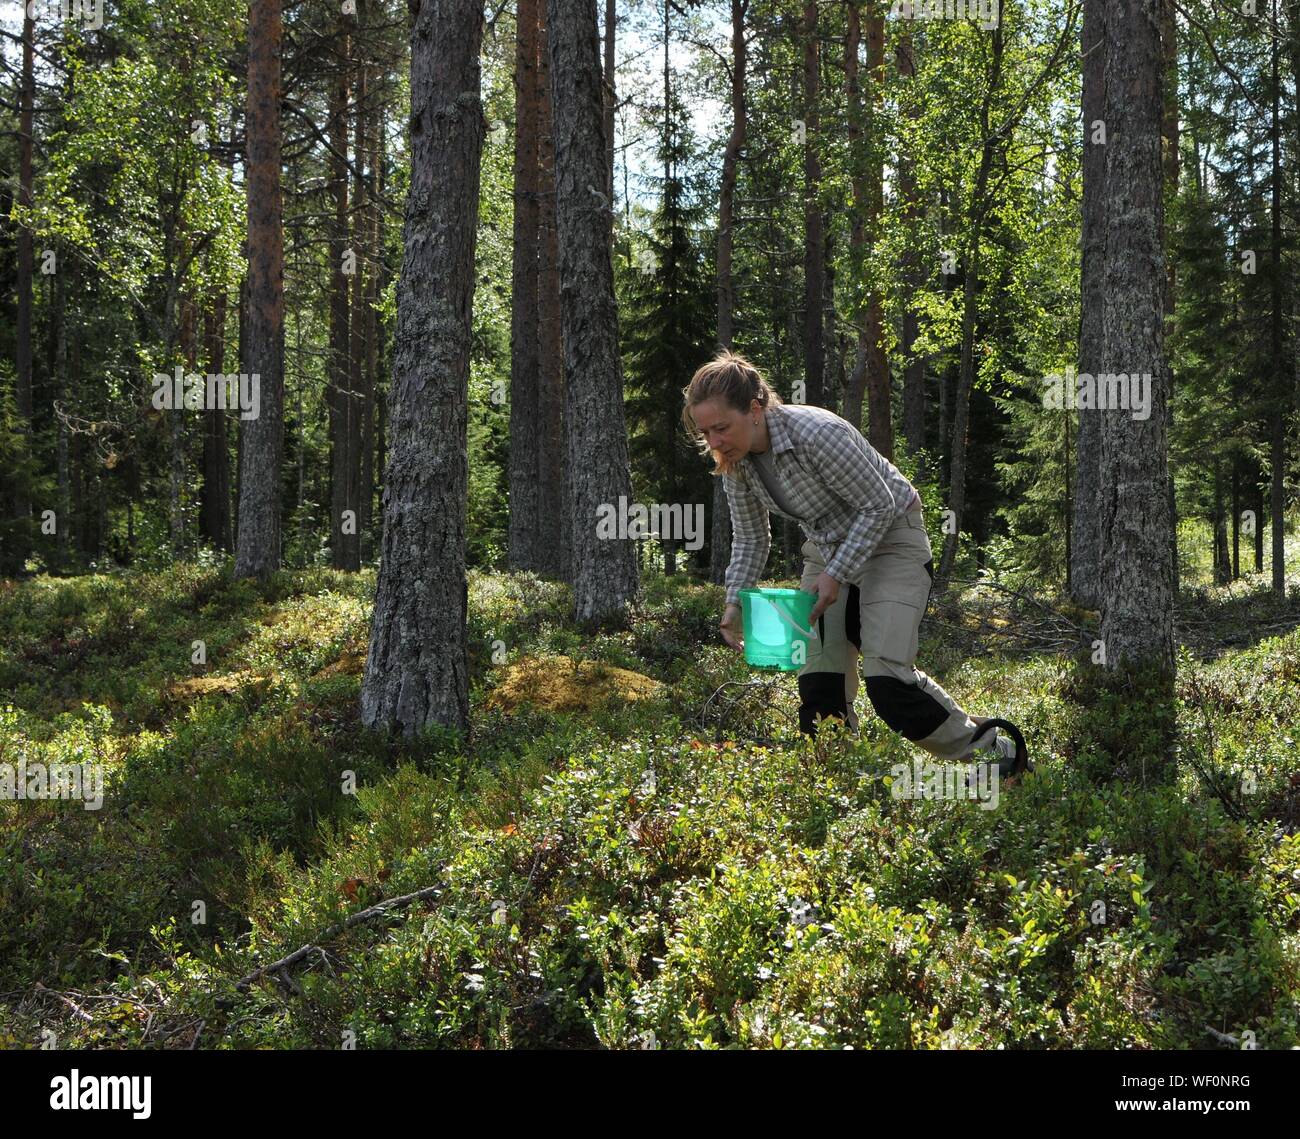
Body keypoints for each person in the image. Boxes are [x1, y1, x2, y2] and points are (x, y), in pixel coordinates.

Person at [680, 348, 1029, 777]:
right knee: (819, 689)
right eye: (705, 432)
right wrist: (734, 603)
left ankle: (1002, 760)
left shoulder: (817, 433)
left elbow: (880, 505)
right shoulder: (735, 464)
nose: (714, 442)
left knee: (888, 684)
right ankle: (845, 789)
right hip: (827, 551)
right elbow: (752, 538)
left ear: (754, 410)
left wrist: (836, 574)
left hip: (892, 540)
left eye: (721, 428)